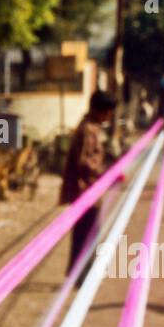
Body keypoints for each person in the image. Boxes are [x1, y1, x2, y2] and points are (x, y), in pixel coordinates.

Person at [60, 89, 117, 284]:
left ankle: (79, 271)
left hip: (89, 190)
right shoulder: (89, 130)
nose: (109, 117)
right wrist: (108, 173)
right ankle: (80, 273)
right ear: (100, 111)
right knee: (88, 232)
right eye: (108, 112)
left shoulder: (91, 127)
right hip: (85, 190)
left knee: (86, 232)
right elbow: (85, 161)